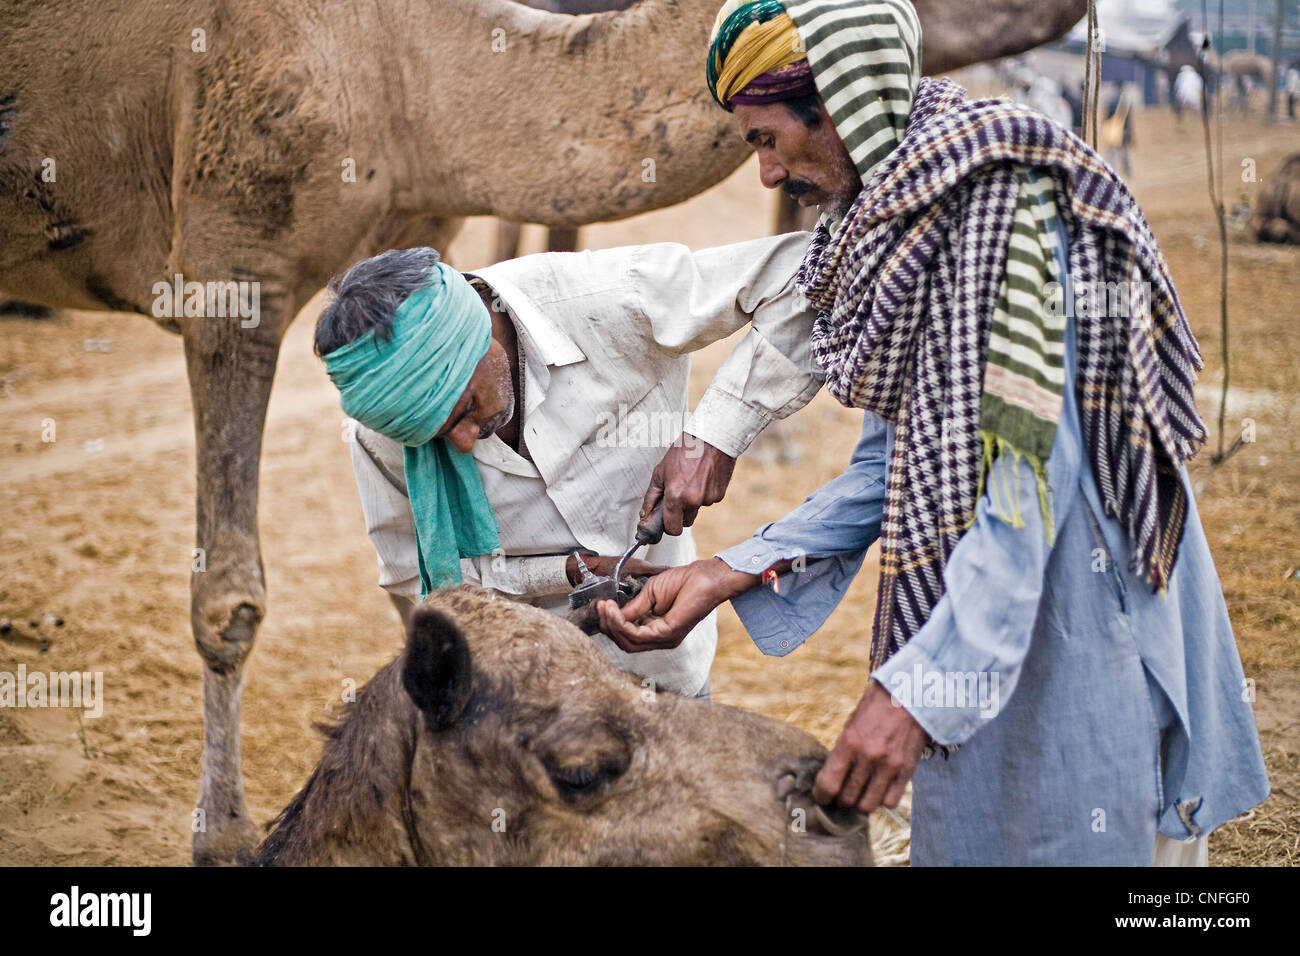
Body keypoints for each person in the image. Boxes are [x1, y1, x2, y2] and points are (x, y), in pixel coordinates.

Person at [603, 0, 1270, 865]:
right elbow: (899, 461)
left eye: (766, 140)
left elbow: (1022, 496)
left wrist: (913, 699)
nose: (766, 174)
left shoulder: (1007, 221)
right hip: (978, 610)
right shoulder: (898, 221)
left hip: (1082, 610)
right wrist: (724, 572)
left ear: (840, 103)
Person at [315, 235, 821, 699]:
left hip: (669, 683)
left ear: (478, 331)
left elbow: (805, 276)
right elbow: (423, 593)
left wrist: (714, 437)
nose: (464, 445)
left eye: (465, 409)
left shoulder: (610, 298)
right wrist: (561, 573)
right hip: (519, 710)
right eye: (437, 437)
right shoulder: (385, 435)